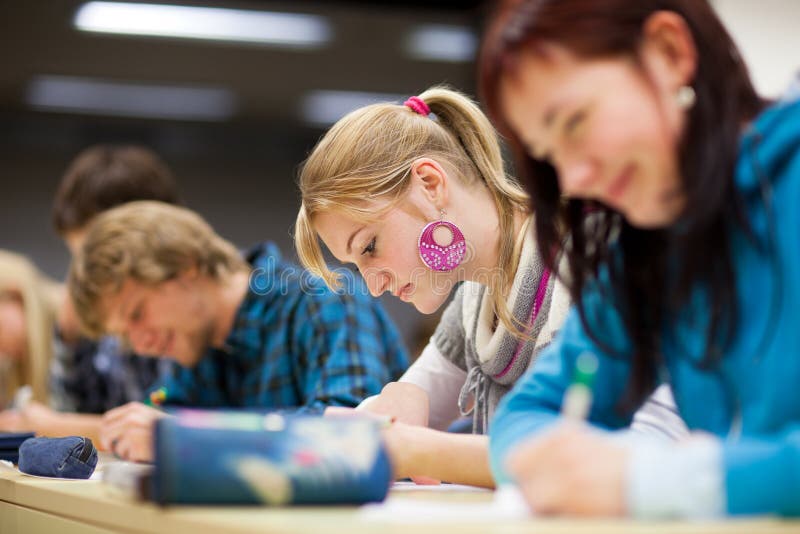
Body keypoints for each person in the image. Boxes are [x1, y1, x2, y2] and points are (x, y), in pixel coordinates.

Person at [480, 0, 799, 517]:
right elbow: (529, 414)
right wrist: (559, 466)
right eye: (549, 154)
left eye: (575, 121)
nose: (573, 180)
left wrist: (672, 481)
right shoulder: (647, 248)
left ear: (669, 53)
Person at [294, 86, 686, 488]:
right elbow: (401, 417)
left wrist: (421, 449)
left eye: (370, 247)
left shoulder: (595, 252)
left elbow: (639, 454)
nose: (374, 287)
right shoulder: (472, 302)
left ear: (430, 184)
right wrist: (389, 406)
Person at [69, 201, 409, 462]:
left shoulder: (327, 296)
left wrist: (184, 437)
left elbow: (353, 433)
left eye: (137, 314)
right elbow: (157, 418)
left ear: (186, 265)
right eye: (126, 336)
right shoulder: (196, 345)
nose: (141, 345)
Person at [0, 144, 179, 440]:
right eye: (82, 261)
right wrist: (70, 338)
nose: (89, 277)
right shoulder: (106, 324)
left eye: (102, 260)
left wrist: (56, 426)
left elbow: (173, 431)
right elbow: (85, 411)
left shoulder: (187, 313)